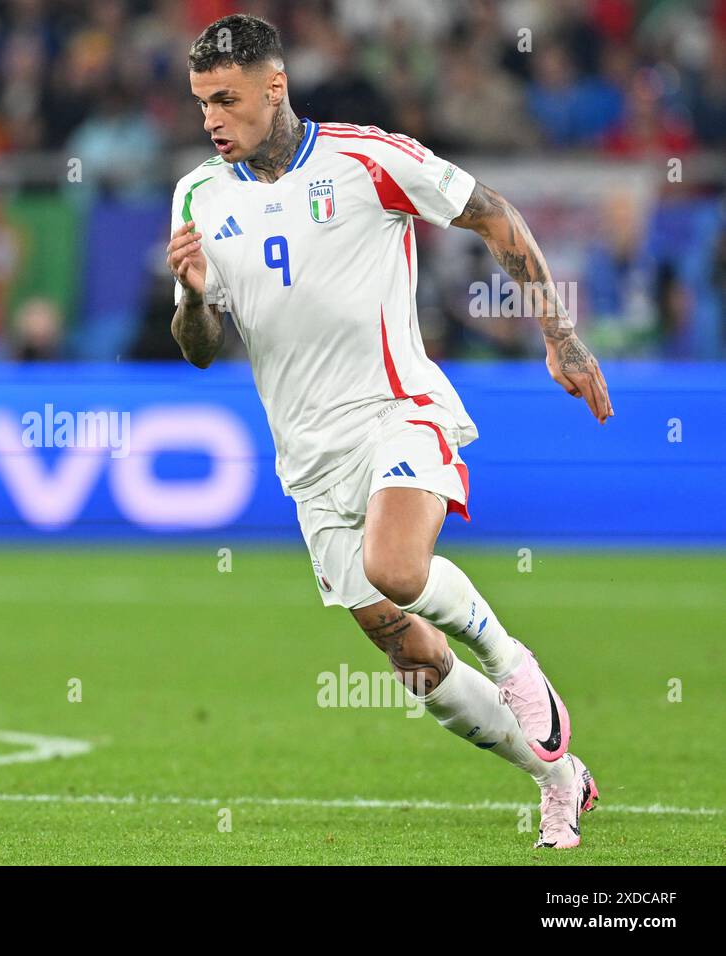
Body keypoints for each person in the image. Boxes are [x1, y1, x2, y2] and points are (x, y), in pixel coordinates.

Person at [165, 15, 614, 850]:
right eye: (201, 105)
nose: (212, 120)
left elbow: (493, 214)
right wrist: (191, 296)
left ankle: (511, 658)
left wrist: (558, 332)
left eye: (226, 100)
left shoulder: (368, 159)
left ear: (275, 88)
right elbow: (197, 352)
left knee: (397, 568)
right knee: (412, 661)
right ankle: (559, 780)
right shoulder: (199, 197)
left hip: (395, 412)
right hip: (307, 459)